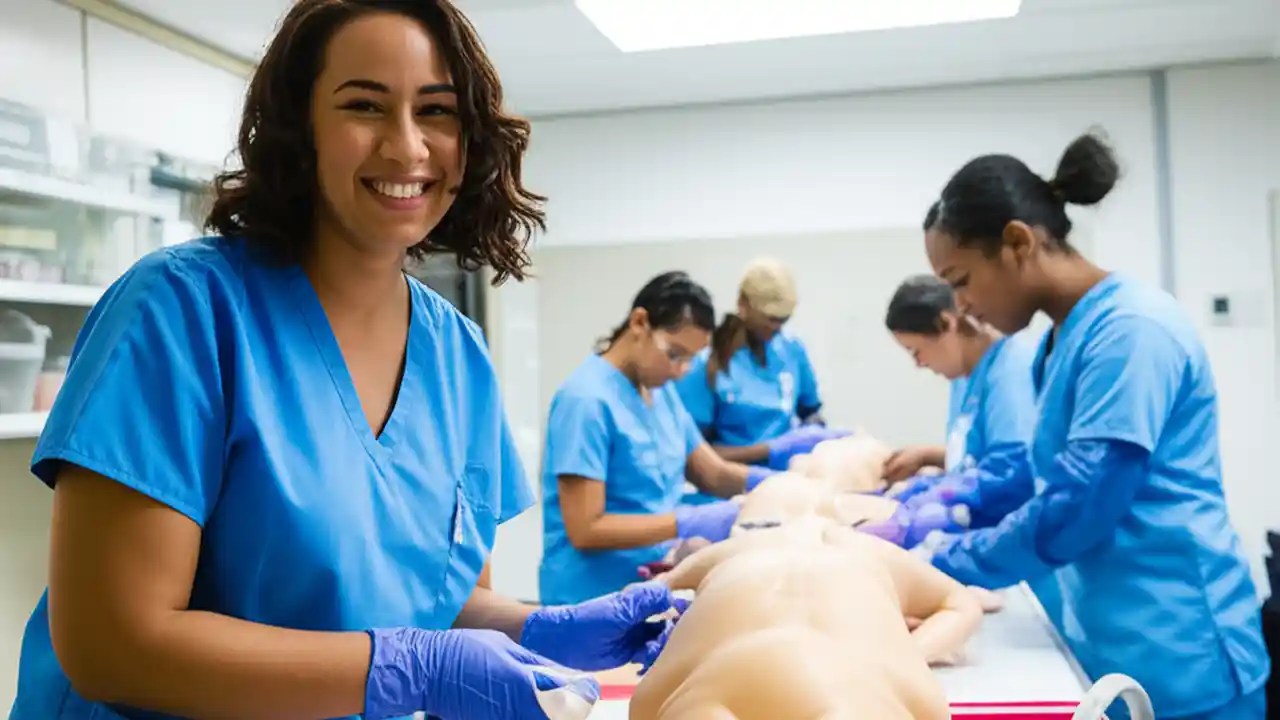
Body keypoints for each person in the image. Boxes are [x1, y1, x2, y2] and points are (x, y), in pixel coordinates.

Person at [9, 3, 681, 719]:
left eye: (437, 111)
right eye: (364, 105)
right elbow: (113, 643)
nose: (407, 147)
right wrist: (408, 668)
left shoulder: (458, 358)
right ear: (302, 128)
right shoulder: (183, 312)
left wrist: (537, 627)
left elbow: (430, 605)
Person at [908, 131, 1269, 719]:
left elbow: (1080, 505)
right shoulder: (1060, 340)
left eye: (962, 279)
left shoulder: (1131, 330)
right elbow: (1042, 478)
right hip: (1115, 638)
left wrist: (936, 561)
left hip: (1182, 650)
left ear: (1018, 243)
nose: (960, 305)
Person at [539, 272, 781, 605]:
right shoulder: (586, 400)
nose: (681, 371)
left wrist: (774, 484)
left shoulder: (661, 393)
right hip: (589, 598)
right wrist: (683, 522)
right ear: (640, 323)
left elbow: (711, 473)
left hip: (648, 586)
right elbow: (585, 528)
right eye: (674, 354)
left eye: (690, 360)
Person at [632, 514, 983, 720]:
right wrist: (909, 651)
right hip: (861, 688)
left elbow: (653, 593)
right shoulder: (873, 551)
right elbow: (963, 604)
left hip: (708, 682)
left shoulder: (736, 548)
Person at [675, 257, 845, 505]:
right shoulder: (705, 363)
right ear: (743, 305)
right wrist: (771, 449)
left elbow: (810, 410)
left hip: (789, 485)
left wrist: (813, 433)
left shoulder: (792, 350)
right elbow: (693, 455)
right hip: (727, 493)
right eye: (769, 318)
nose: (776, 328)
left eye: (783, 320)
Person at [881, 274, 1039, 483]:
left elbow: (1013, 473)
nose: (919, 363)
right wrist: (927, 457)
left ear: (946, 323)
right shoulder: (964, 378)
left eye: (916, 350)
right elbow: (974, 458)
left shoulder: (1011, 373)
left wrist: (942, 497)